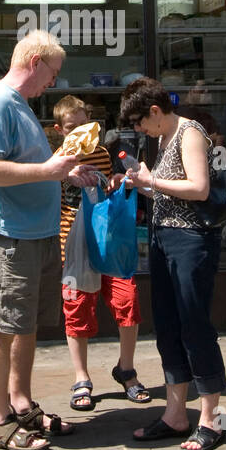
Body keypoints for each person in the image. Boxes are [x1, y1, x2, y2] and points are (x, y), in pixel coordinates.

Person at [0, 30, 94, 450]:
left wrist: (65, 172)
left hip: (34, 234)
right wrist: (48, 172)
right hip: (9, 236)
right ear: (36, 60)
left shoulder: (19, 106)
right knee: (2, 325)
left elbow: (31, 166)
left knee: (22, 324)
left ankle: (20, 403)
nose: (53, 83)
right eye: (53, 72)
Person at [119, 78, 226, 450]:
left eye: (139, 122)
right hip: (165, 238)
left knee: (194, 326)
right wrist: (142, 184)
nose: (138, 130)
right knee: (167, 327)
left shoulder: (189, 132)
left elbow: (199, 188)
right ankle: (176, 414)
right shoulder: (163, 138)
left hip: (191, 241)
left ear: (154, 111)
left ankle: (212, 418)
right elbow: (169, 188)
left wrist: (153, 180)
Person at [52, 95, 150, 412]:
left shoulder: (101, 154)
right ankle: (81, 377)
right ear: (59, 129)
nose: (79, 131)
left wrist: (116, 182)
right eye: (72, 127)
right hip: (72, 243)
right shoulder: (55, 158)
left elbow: (107, 191)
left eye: (84, 124)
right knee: (78, 310)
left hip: (106, 240)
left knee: (127, 300)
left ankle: (126, 368)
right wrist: (63, 173)